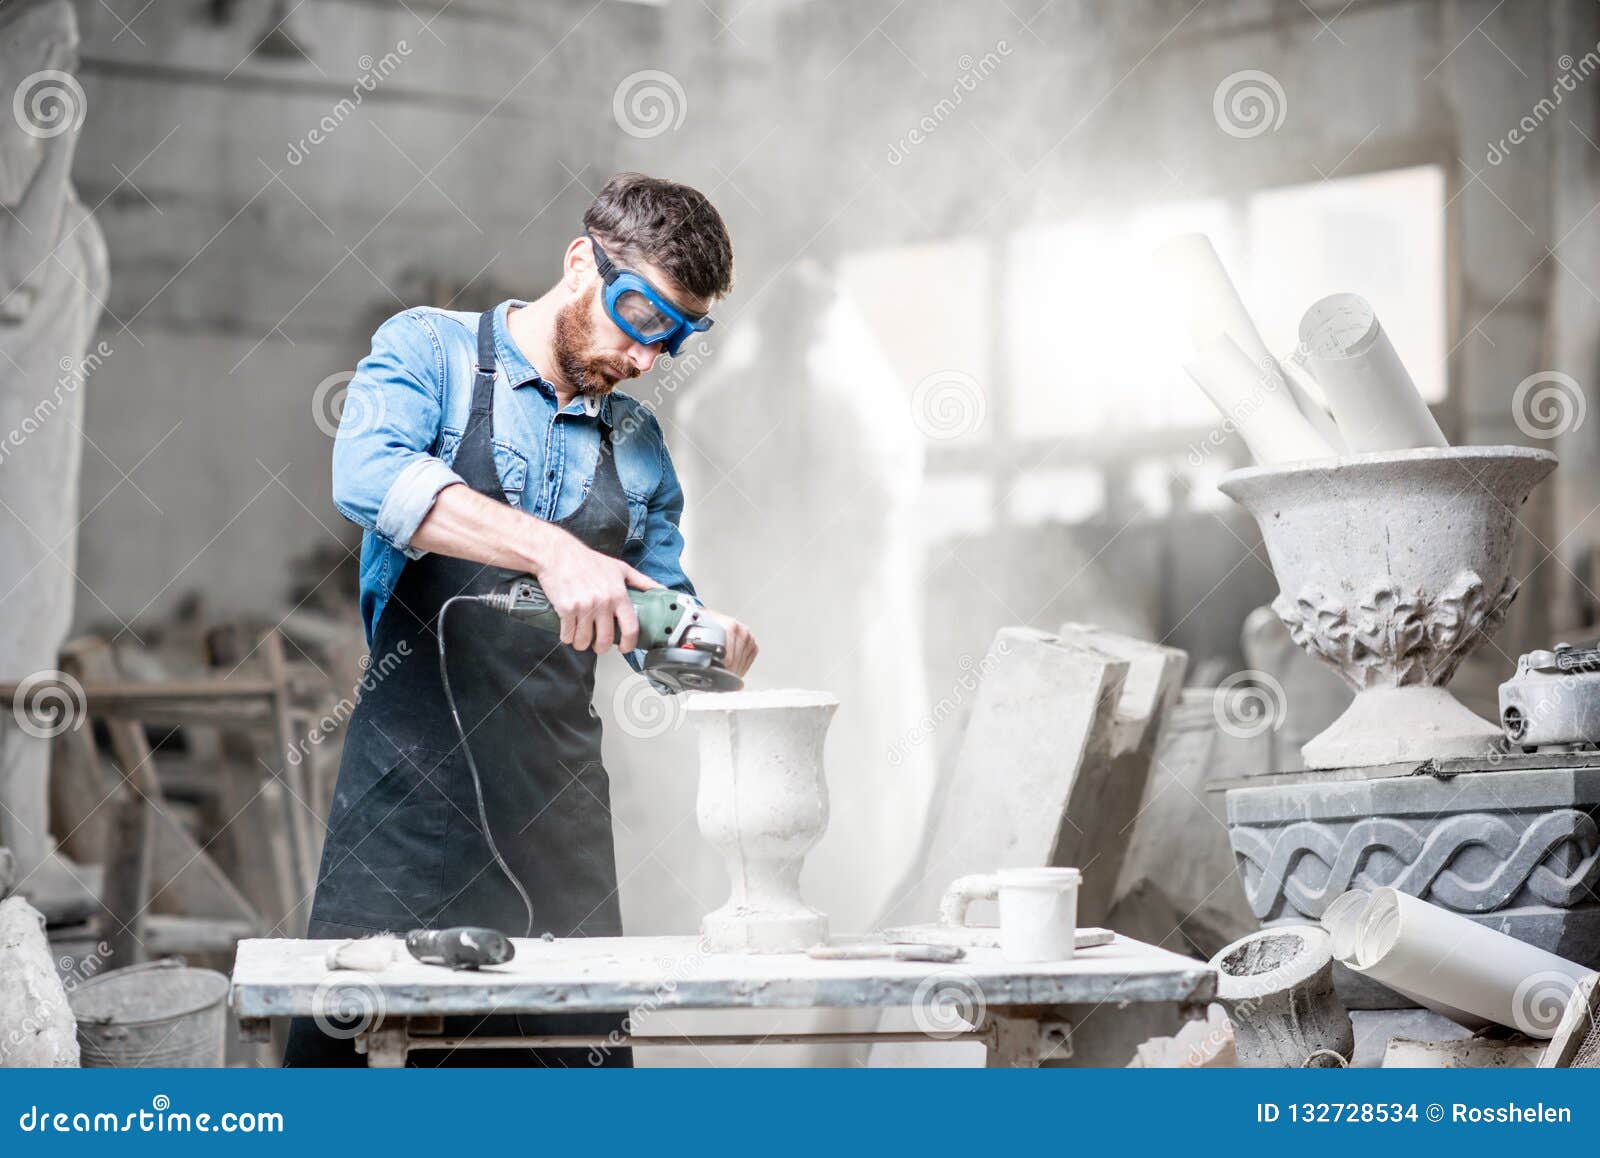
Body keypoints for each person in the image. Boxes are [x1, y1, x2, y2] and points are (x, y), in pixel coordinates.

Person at [284, 173, 754, 1066]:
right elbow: (370, 476)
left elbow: (655, 629)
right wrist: (554, 551)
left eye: (679, 337)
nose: (650, 357)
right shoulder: (432, 353)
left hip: (558, 828)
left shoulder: (640, 448)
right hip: (407, 812)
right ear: (582, 263)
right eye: (643, 316)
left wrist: (702, 641)